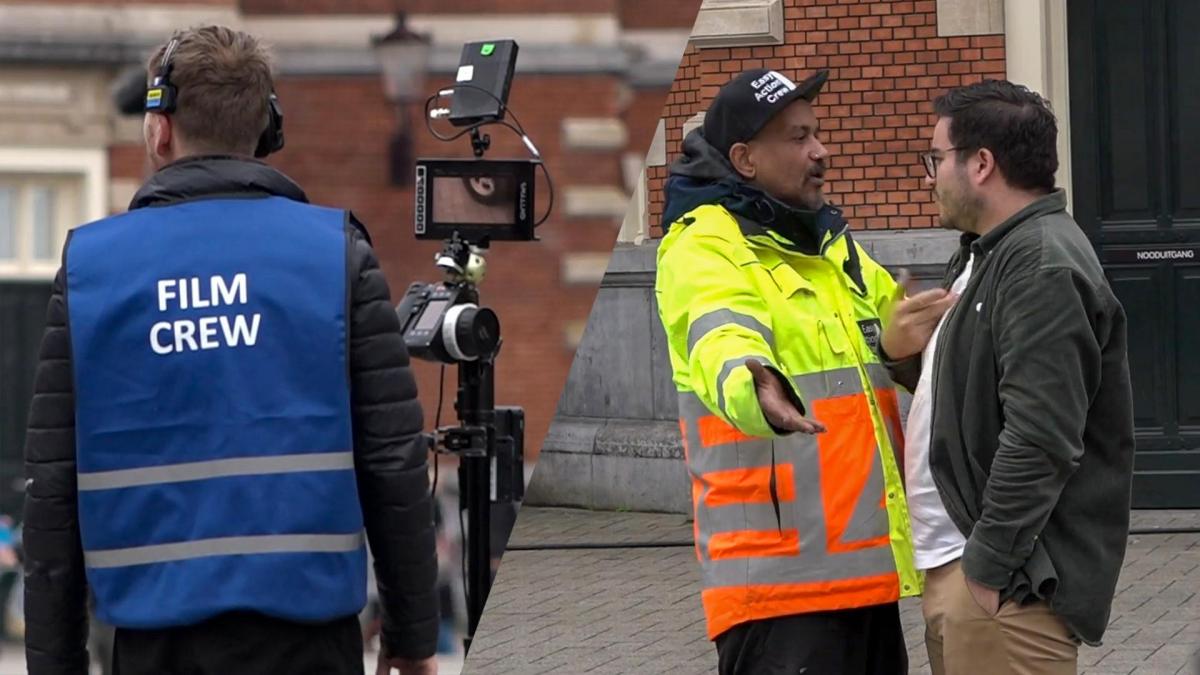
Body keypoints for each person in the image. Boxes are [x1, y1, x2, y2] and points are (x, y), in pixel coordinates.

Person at [21, 26, 439, 675]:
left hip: (150, 643)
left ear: (159, 130)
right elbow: (395, 464)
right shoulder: (335, 255)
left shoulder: (91, 270)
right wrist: (413, 637)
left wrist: (55, 662)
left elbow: (51, 490)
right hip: (310, 640)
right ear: (267, 128)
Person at [655, 67, 933, 675]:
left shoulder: (828, 244)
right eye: (799, 137)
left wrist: (907, 345)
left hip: (865, 580)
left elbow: (892, 332)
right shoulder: (703, 245)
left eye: (817, 133)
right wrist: (757, 382)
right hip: (779, 593)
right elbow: (720, 333)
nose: (821, 151)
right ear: (745, 159)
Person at [881, 79, 1134, 674]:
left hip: (1006, 589)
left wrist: (987, 570)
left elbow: (1042, 437)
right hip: (975, 578)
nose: (929, 175)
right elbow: (981, 405)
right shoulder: (988, 253)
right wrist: (902, 356)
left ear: (982, 164)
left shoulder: (1039, 266)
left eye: (936, 158)